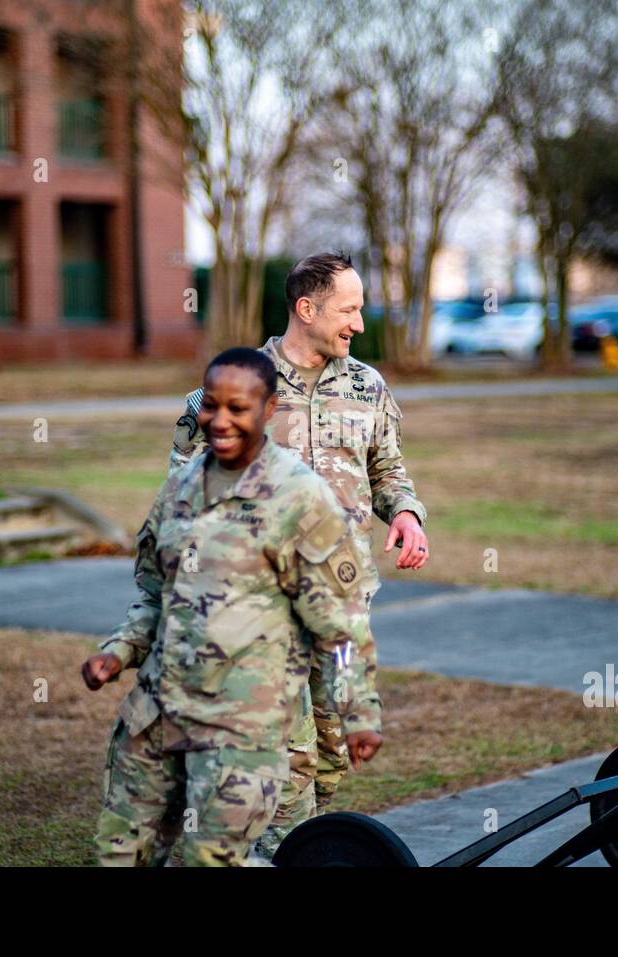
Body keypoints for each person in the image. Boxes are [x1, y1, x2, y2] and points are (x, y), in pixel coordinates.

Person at [169, 252, 427, 857]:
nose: (359, 324)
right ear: (306, 310)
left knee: (336, 746)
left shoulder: (368, 386)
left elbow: (387, 469)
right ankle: (280, 851)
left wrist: (408, 515)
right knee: (292, 756)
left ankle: (288, 839)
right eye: (349, 310)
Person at [83, 347, 383, 867]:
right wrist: (118, 652)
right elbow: (157, 597)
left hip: (242, 732)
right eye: (211, 406)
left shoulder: (301, 500)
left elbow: (339, 626)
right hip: (156, 719)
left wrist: (358, 714)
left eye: (238, 408)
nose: (220, 420)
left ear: (268, 411)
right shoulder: (178, 488)